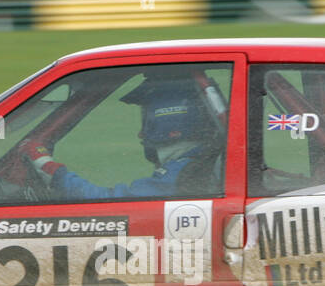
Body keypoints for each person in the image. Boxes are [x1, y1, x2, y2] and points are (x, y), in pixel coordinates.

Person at [20, 78, 223, 200]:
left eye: (146, 121)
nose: (140, 134)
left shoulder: (184, 172)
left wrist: (51, 170)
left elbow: (106, 201)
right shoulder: (199, 163)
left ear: (170, 124)